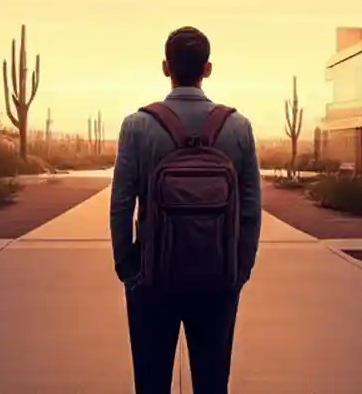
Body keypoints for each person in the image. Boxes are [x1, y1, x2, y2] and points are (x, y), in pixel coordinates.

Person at [109, 26, 261, 394]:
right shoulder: (238, 127)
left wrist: (128, 265)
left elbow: (121, 204)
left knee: (151, 383)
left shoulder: (137, 126)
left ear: (166, 67)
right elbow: (252, 207)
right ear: (207, 69)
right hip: (217, 275)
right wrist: (240, 267)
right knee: (212, 384)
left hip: (152, 275)